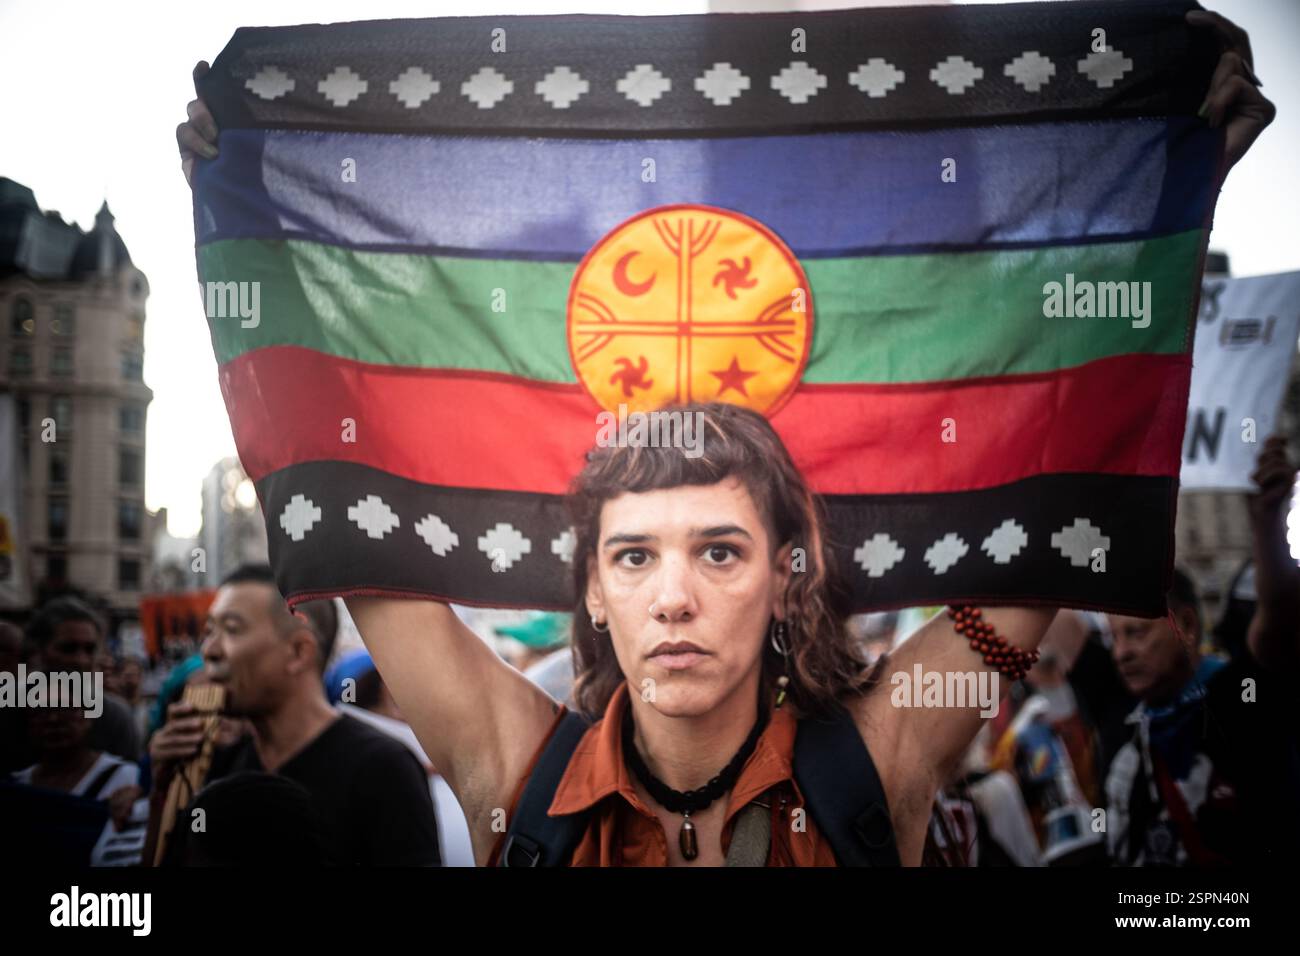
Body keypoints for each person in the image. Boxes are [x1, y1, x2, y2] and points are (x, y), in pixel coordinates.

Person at [175, 11, 1274, 867]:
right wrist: (252, 211)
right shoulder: (514, 765)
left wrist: (1172, 201)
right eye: (633, 554)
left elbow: (1049, 510)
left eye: (719, 549)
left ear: (787, 571)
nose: (673, 597)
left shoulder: (882, 761)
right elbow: (360, 526)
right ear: (593, 589)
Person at [149, 565, 441, 866]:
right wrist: (162, 795)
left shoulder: (383, 768)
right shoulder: (217, 764)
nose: (209, 650)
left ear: (299, 651)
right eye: (210, 631)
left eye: (232, 629)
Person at [1104, 437, 1300, 865]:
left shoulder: (1244, 699)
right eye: (1114, 637)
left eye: (1136, 634)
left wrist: (1268, 524)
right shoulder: (1123, 737)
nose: (1121, 653)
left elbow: (1281, 621)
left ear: (1187, 626)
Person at [23, 598, 140, 762]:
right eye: (68, 649)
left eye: (89, 650)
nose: (81, 660)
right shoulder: (11, 710)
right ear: (39, 652)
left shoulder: (115, 718)